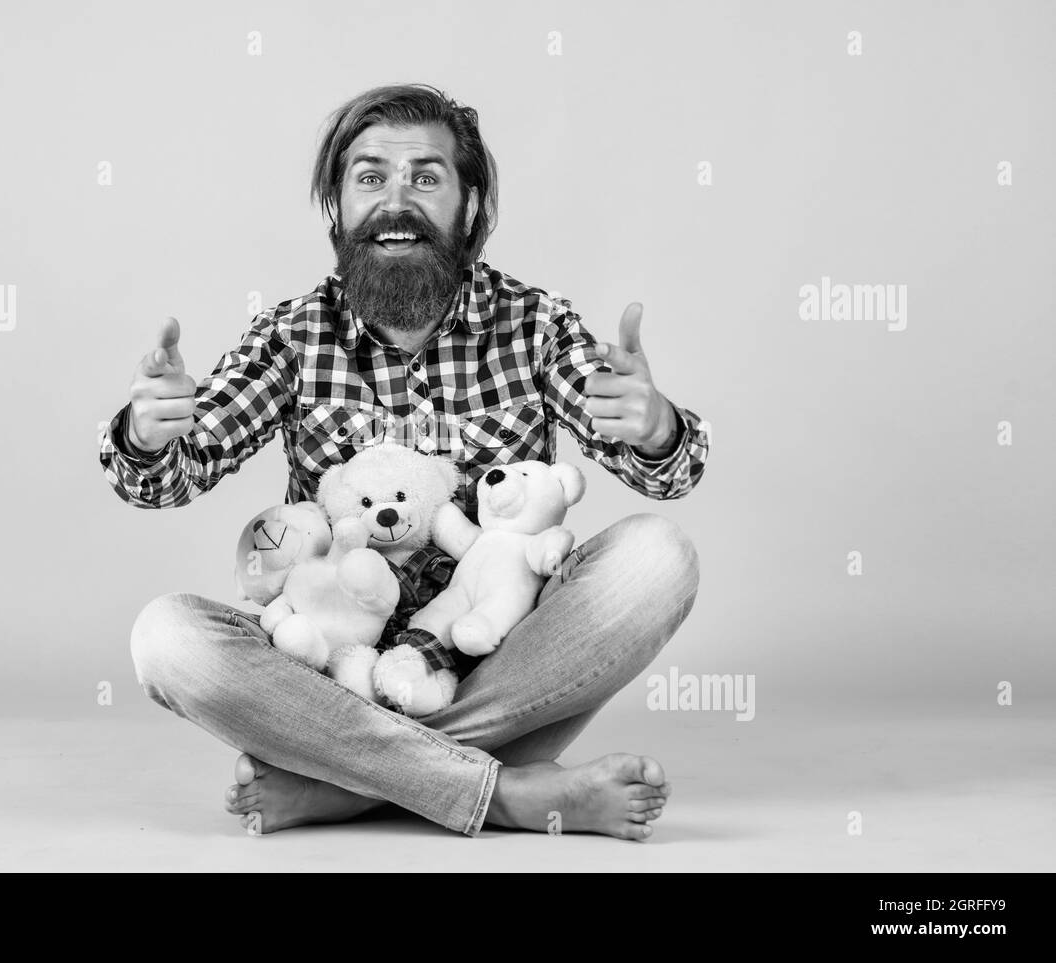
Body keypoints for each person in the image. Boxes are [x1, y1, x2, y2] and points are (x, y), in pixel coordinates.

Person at [99, 84, 709, 839]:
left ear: (469, 207)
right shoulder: (291, 336)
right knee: (166, 638)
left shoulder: (536, 325)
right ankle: (504, 791)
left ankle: (353, 782)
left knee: (658, 557)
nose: (397, 200)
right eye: (369, 177)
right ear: (338, 210)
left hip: (493, 655)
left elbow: (671, 472)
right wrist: (147, 434)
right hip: (330, 668)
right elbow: (165, 476)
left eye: (426, 177)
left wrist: (655, 428)